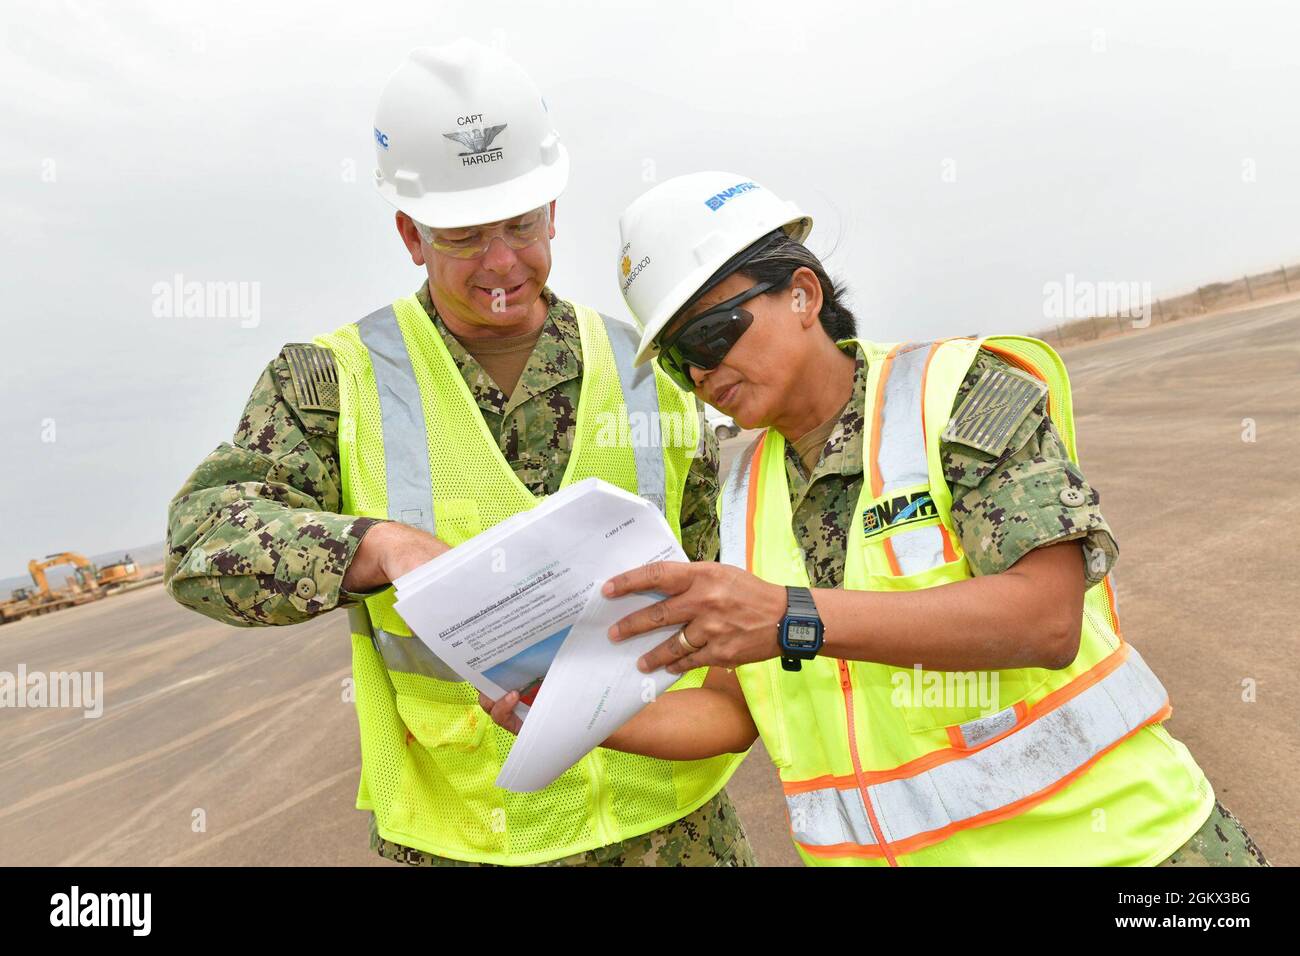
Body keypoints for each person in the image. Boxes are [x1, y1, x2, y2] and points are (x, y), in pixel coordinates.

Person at [483, 170, 1268, 867]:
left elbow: (1045, 617)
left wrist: (792, 618)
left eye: (714, 334)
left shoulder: (956, 393)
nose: (702, 372)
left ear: (803, 294)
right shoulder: (737, 493)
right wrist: (570, 719)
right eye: (680, 359)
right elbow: (729, 710)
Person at [163, 45, 752, 867]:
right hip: (466, 837)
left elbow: (730, 571)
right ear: (411, 233)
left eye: (520, 225)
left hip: (675, 826)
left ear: (553, 210)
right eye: (465, 237)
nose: (502, 263)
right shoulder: (335, 381)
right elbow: (201, 545)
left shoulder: (654, 369)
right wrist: (375, 546)